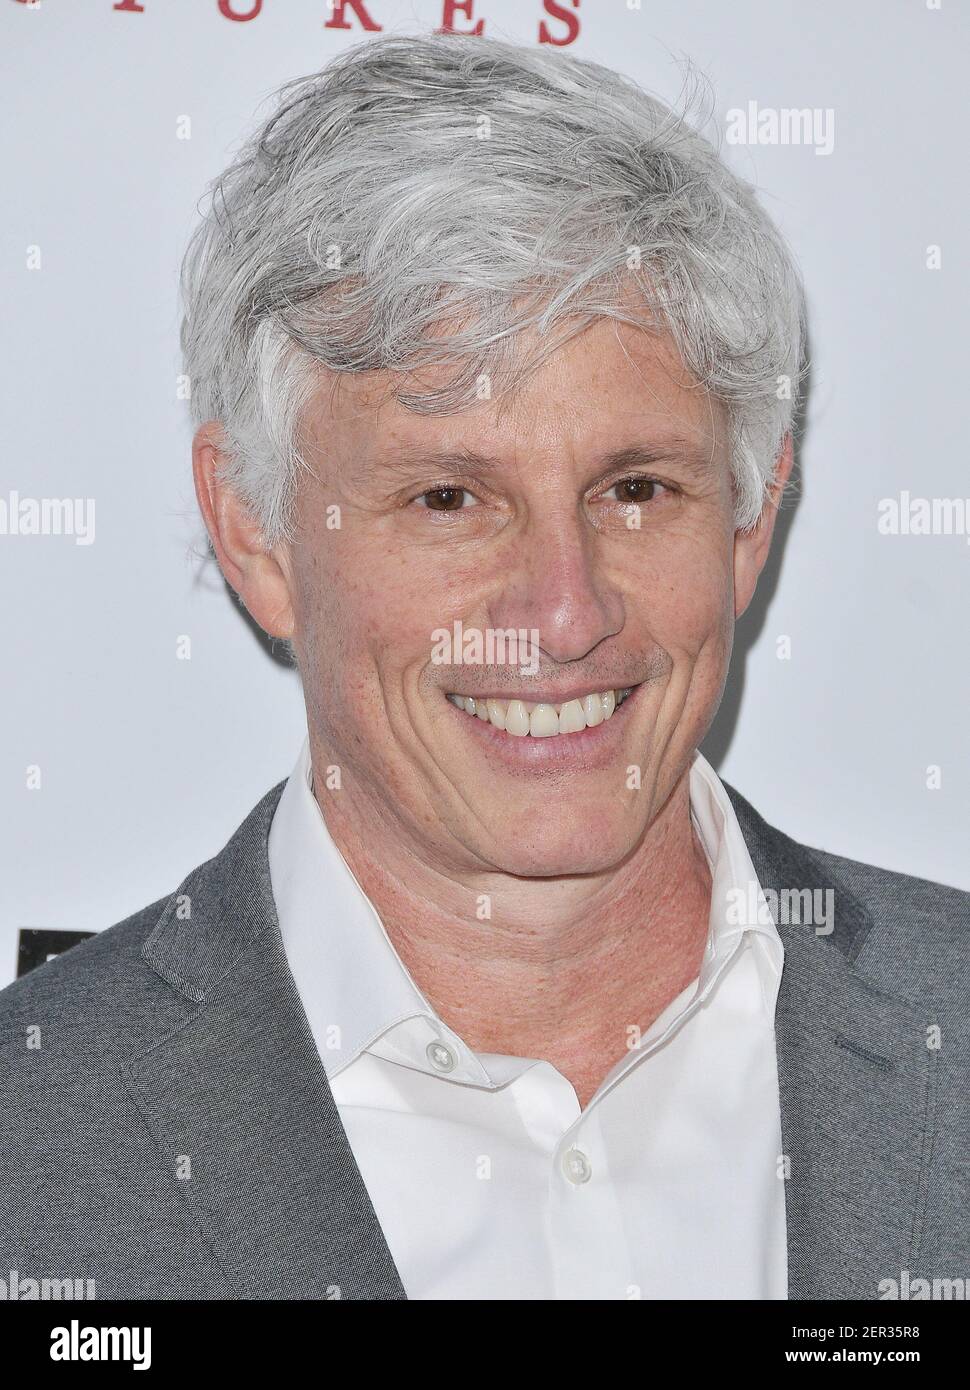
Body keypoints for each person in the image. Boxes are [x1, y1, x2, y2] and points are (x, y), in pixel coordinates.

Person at [1, 33, 965, 1301]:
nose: (562, 613)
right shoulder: (33, 1147)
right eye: (450, 497)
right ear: (256, 530)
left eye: (635, 488)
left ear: (749, 520)